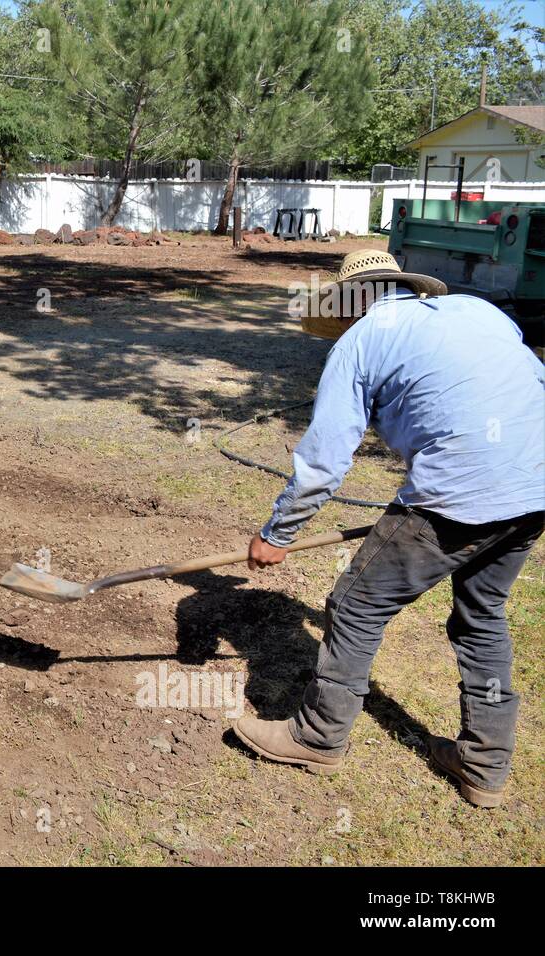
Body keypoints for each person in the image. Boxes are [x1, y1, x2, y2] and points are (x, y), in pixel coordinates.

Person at [234, 249, 544, 808]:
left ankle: (317, 736)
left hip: (458, 494)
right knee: (482, 616)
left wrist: (278, 534)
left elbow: (324, 462)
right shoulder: (478, 311)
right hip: (534, 488)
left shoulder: (359, 341)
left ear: (348, 303)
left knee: (355, 606)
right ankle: (485, 763)